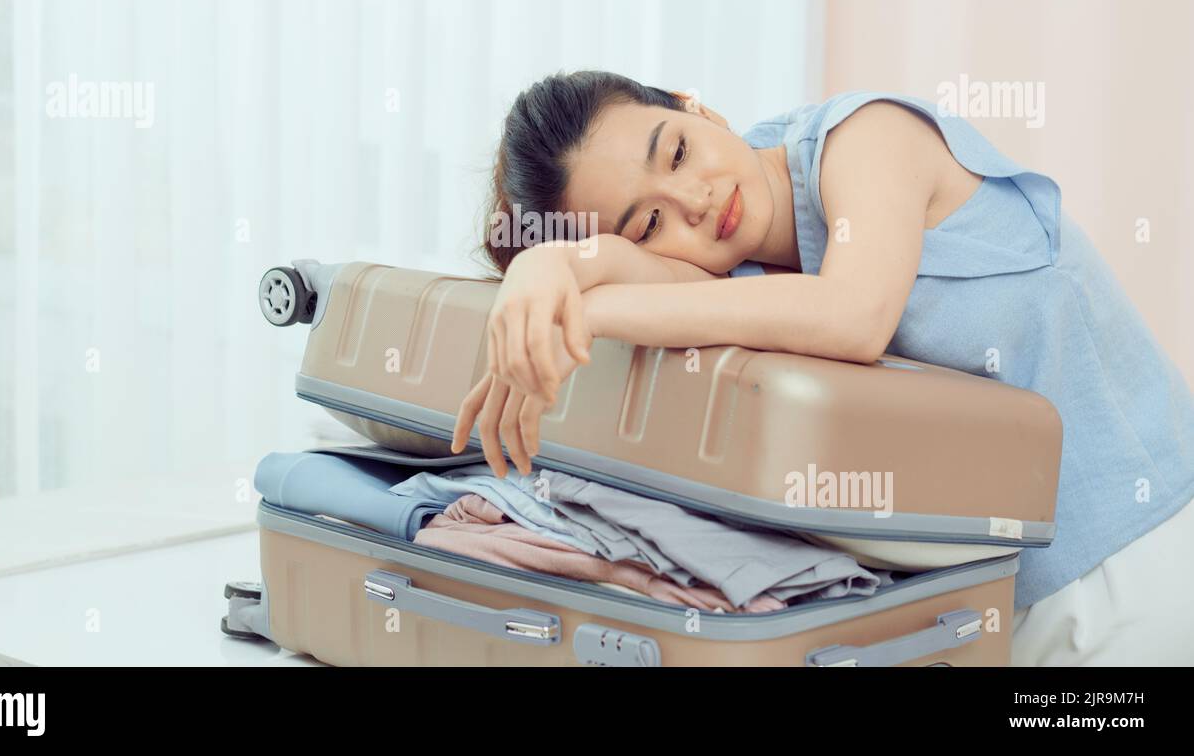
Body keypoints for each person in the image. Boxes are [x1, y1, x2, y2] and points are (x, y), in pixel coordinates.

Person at [450, 69, 1194, 665]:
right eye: (651, 222)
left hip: (1136, 557)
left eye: (676, 151)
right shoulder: (729, 277)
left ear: (695, 107)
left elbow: (854, 317)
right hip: (989, 599)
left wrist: (588, 311)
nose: (695, 200)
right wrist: (542, 268)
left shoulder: (867, 138)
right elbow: (617, 266)